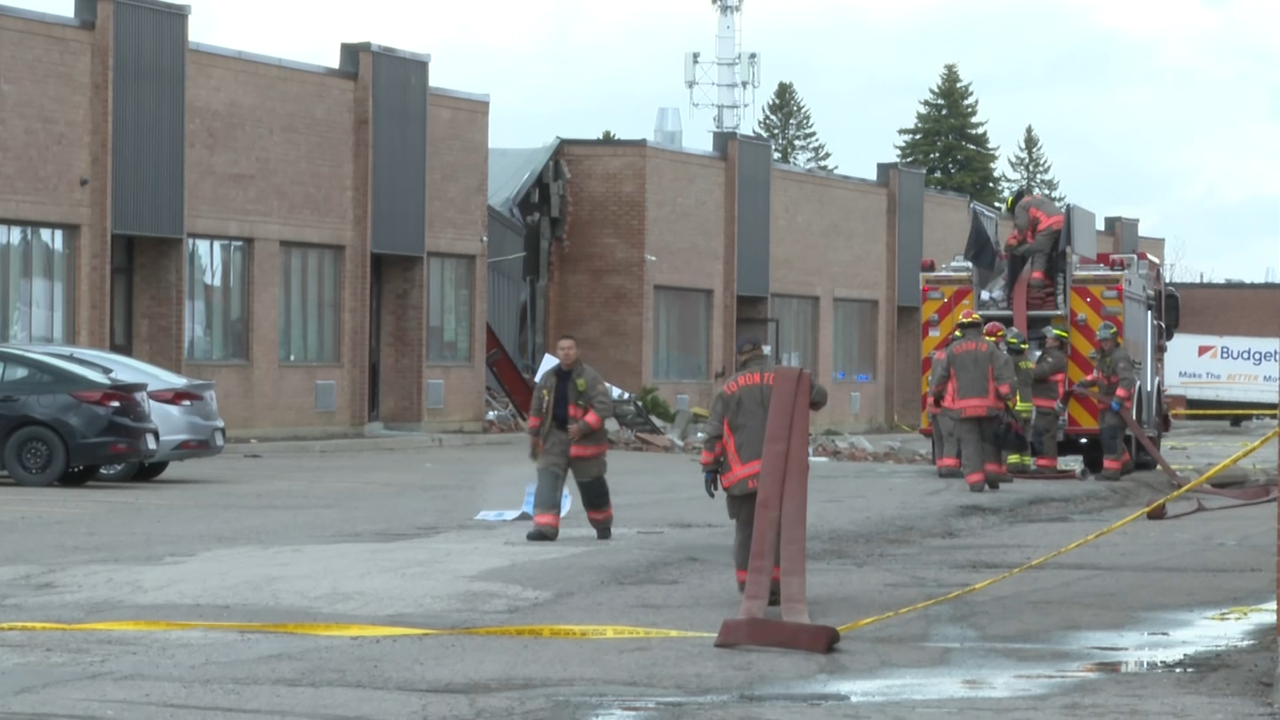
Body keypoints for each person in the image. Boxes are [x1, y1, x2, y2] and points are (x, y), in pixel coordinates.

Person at [702, 336, 828, 605]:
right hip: (781, 474)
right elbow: (819, 398)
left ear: (740, 358)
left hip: (742, 474)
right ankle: (774, 587)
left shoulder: (729, 388)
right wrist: (801, 379)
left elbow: (714, 433)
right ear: (764, 353)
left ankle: (749, 584)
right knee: (779, 531)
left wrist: (709, 467)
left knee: (746, 530)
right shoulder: (784, 378)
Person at [525, 335, 615, 541]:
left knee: (592, 487)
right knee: (547, 483)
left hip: (585, 441)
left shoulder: (590, 377)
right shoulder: (549, 377)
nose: (566, 352)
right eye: (562, 349)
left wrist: (582, 427)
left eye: (570, 348)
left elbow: (604, 407)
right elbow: (537, 407)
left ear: (577, 351)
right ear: (556, 353)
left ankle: (602, 524)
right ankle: (545, 528)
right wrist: (534, 434)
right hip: (553, 439)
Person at [930, 309, 1017, 493]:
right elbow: (1001, 377)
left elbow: (941, 378)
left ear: (961, 327)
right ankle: (993, 477)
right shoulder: (991, 348)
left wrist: (936, 397)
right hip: (990, 408)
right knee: (990, 443)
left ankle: (976, 483)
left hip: (962, 410)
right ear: (979, 327)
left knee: (970, 445)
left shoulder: (952, 350)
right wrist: (1010, 399)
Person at [1075, 321, 1136, 480]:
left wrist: (1118, 399)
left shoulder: (1119, 356)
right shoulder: (1104, 356)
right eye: (1102, 340)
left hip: (1117, 406)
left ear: (1115, 339)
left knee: (1111, 436)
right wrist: (1084, 383)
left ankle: (1111, 472)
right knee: (1109, 435)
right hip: (1106, 404)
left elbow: (1127, 381)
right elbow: (1097, 376)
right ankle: (1126, 464)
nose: (1105, 343)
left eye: (1107, 340)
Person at [1004, 189, 1065, 289]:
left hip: (1048, 226)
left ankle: (1036, 283)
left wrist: (1018, 241)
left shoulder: (1021, 206)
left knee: (1039, 252)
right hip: (1063, 225)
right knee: (1054, 255)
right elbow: (1030, 232)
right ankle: (1055, 278)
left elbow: (1022, 227)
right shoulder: (1037, 199)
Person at [1030, 325, 1070, 473]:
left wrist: (1024, 367)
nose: (1047, 340)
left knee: (1045, 434)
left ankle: (1047, 467)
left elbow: (1041, 372)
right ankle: (1044, 465)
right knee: (1041, 433)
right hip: (1045, 402)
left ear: (1058, 342)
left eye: (1051, 338)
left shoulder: (1056, 357)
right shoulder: (1048, 354)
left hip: (1050, 402)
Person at [928, 330, 963, 478]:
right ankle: (949, 468)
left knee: (939, 437)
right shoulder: (955, 357)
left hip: (933, 403)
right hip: (945, 402)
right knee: (950, 436)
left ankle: (941, 466)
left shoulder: (939, 354)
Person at [1002, 328, 1035, 473]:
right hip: (1028, 406)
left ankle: (1013, 466)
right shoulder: (1027, 361)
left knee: (1011, 436)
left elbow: (1007, 380)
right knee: (1024, 437)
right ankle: (1025, 465)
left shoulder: (1011, 360)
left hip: (1017, 405)